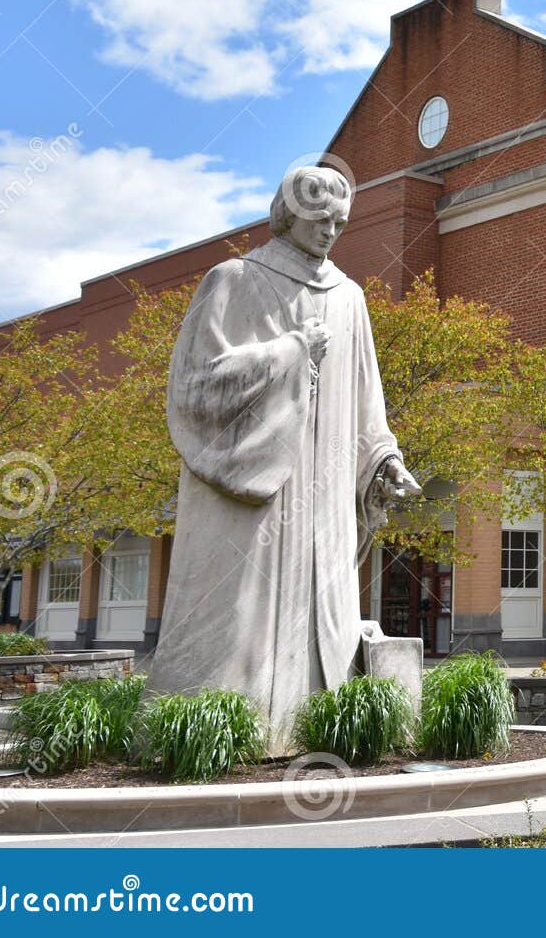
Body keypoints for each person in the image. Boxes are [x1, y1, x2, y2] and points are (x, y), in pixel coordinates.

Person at [149, 165, 420, 752]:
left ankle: (318, 730)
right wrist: (291, 351)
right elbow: (195, 385)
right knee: (240, 606)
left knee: (326, 613)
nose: (330, 232)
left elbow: (367, 400)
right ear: (287, 215)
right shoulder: (234, 280)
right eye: (319, 219)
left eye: (339, 222)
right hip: (259, 489)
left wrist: (385, 458)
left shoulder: (350, 298)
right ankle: (218, 735)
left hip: (327, 493)